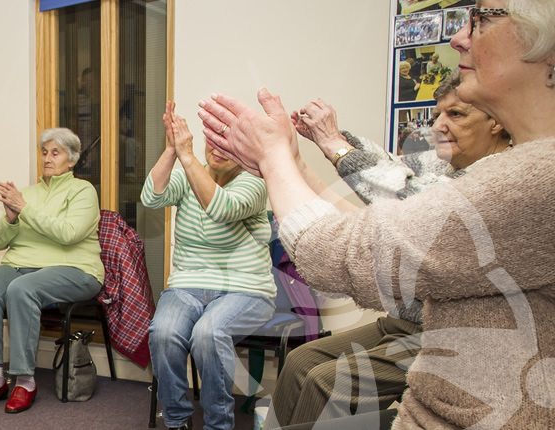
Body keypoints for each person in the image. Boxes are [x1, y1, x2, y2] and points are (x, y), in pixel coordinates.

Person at [198, 1, 555, 427]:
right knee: (302, 368)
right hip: (444, 394)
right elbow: (370, 224)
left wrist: (276, 161)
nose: (460, 37)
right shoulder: (517, 169)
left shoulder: (533, 179)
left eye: (483, 20)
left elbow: (351, 254)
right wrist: (289, 164)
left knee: (323, 382)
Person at [266, 73, 512, 427]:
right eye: (439, 114)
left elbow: (416, 208)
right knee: (301, 362)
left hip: (456, 335)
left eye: (456, 115)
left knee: (328, 382)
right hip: (410, 320)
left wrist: (332, 145)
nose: (440, 126)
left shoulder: (497, 177)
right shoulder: (447, 164)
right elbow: (391, 170)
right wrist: (297, 161)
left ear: (496, 121)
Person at [143, 102, 275, 430]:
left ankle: (218, 425)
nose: (217, 148)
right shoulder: (188, 174)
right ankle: (176, 420)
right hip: (187, 284)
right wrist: (173, 150)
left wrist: (187, 157)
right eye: (213, 139)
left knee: (208, 332)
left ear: (244, 148)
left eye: (227, 141)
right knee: (163, 333)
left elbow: (221, 207)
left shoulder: (255, 182)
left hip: (246, 288)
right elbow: (151, 197)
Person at [0, 127, 103, 414]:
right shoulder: (26, 194)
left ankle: (25, 381)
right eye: (44, 152)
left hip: (75, 269)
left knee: (22, 288)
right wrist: (10, 218)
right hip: (22, 265)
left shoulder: (83, 191)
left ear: (72, 159)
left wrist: (25, 209)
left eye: (56, 152)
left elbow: (68, 233)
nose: (47, 158)